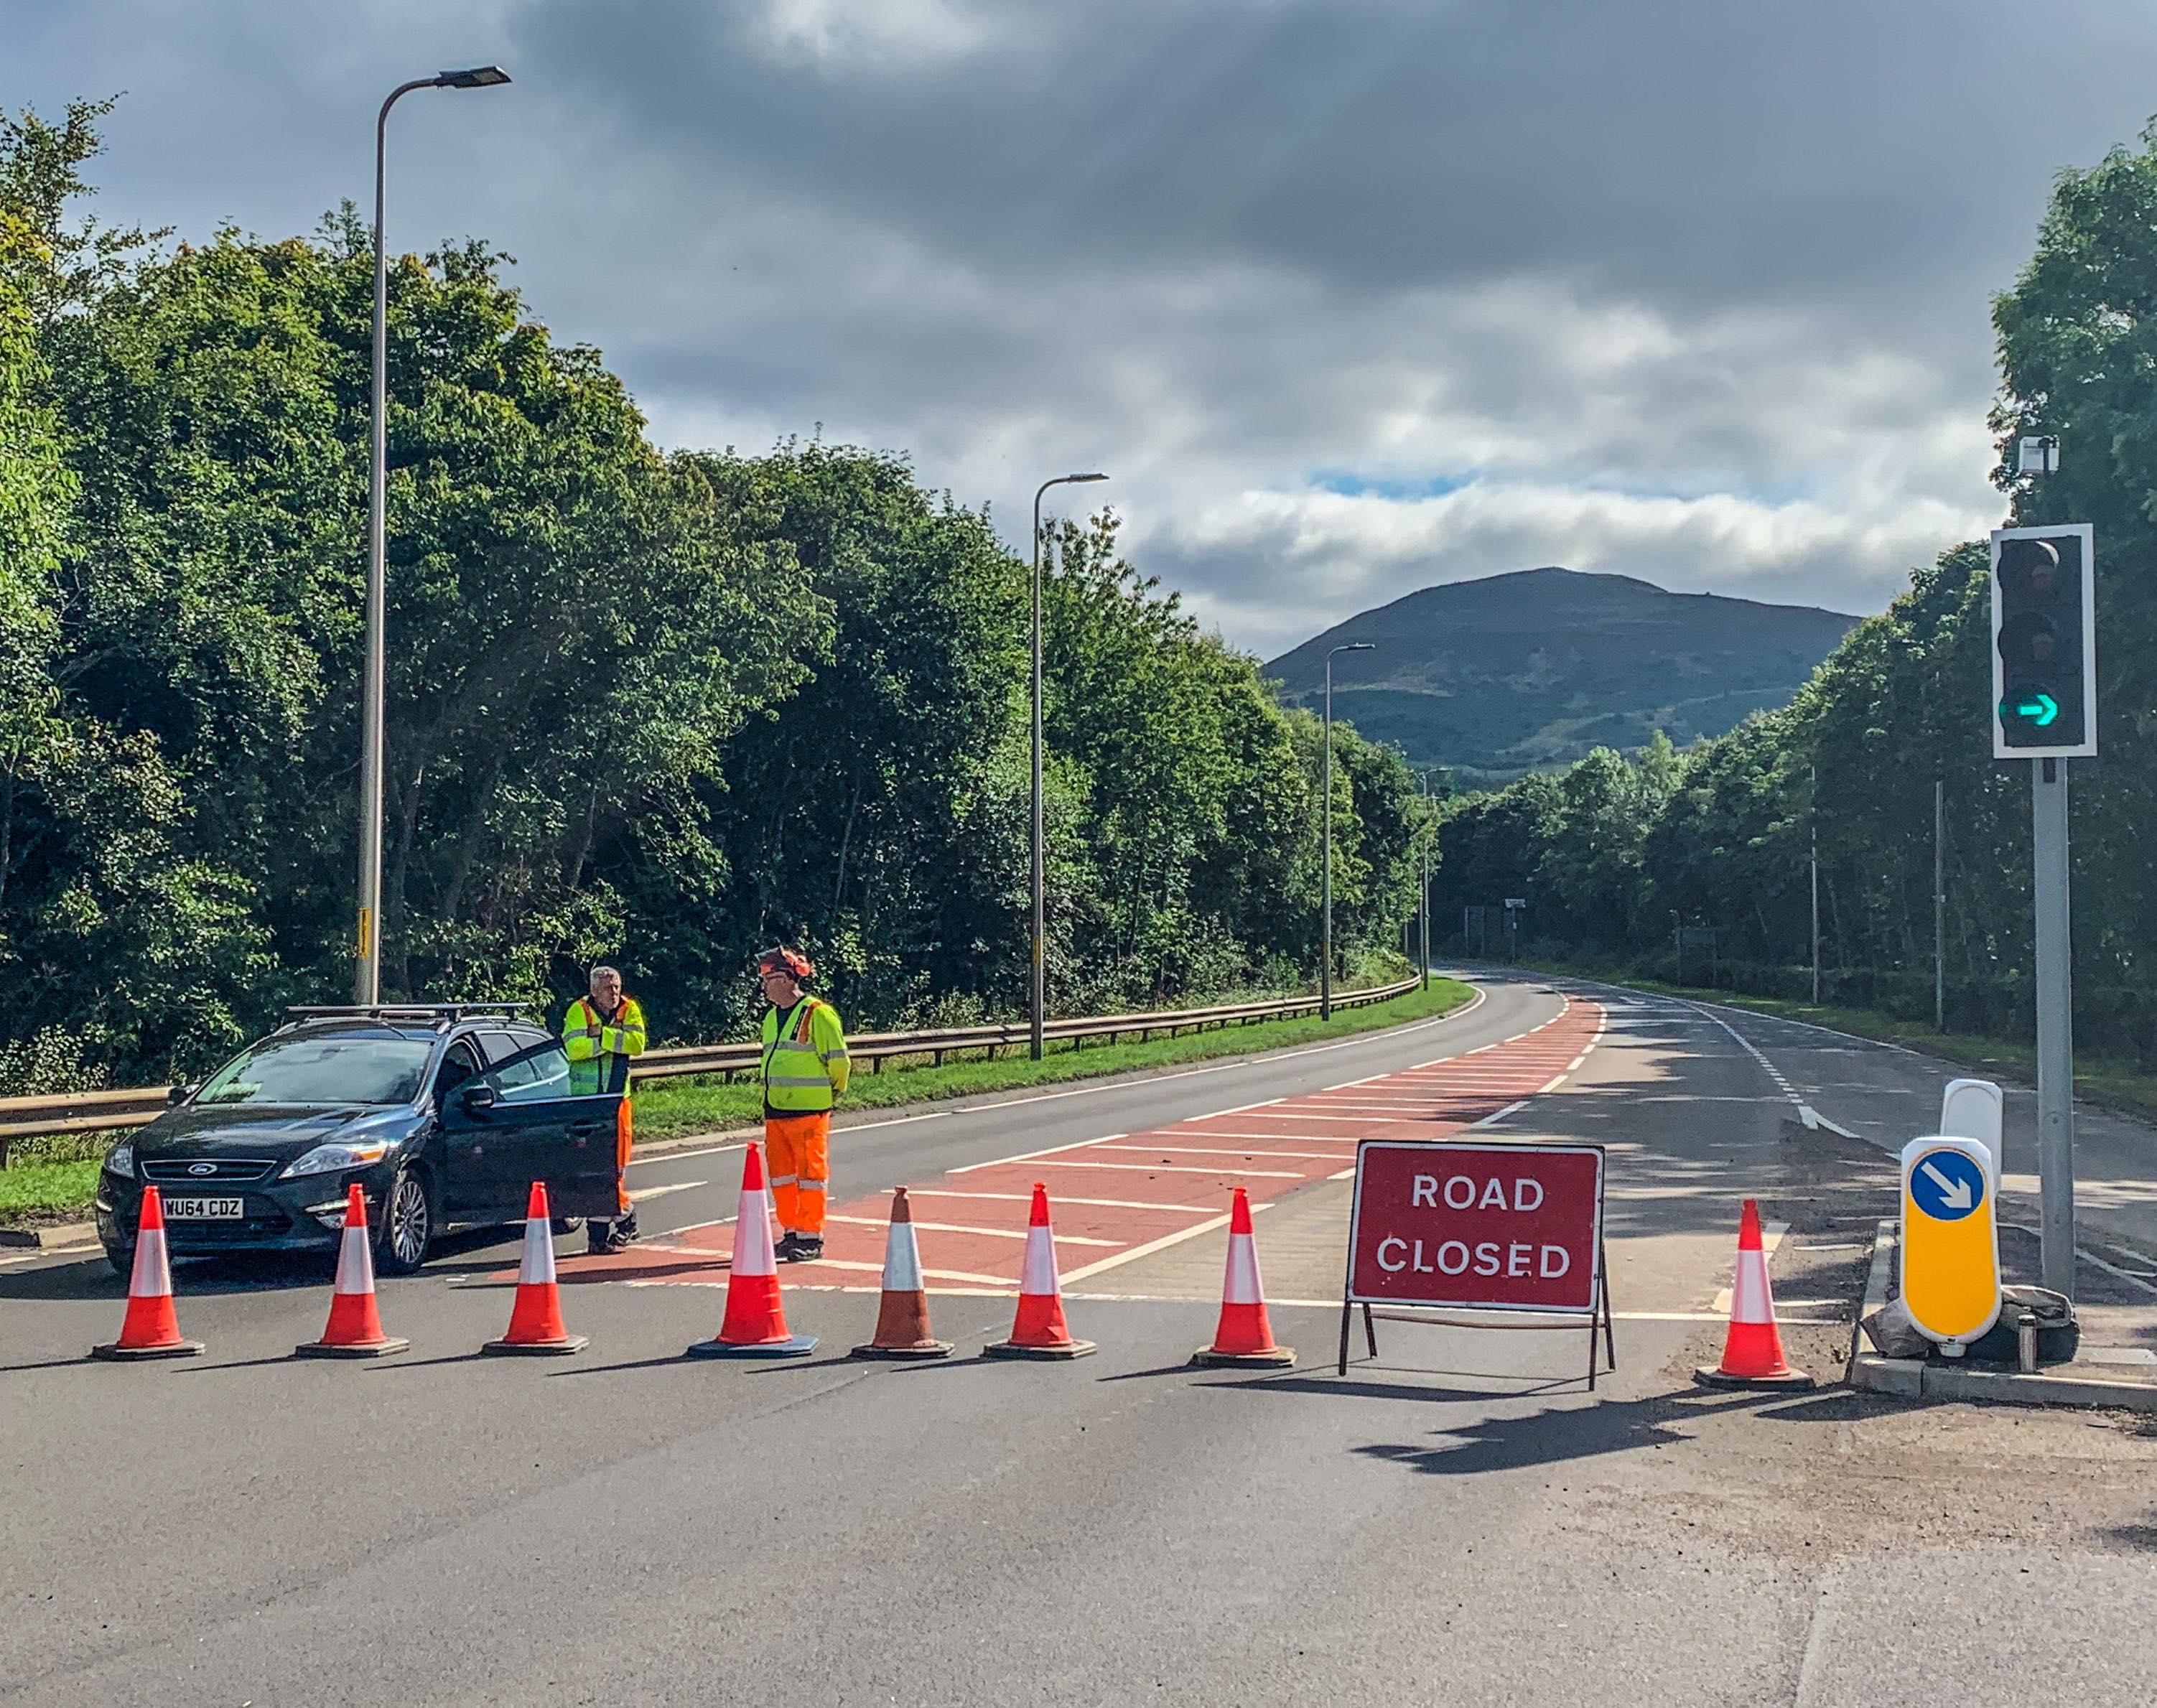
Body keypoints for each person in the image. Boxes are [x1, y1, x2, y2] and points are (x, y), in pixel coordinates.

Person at [756, 946, 849, 1261]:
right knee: (782, 1178)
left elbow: (839, 1063)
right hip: (776, 1111)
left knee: (810, 1176)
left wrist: (831, 1094)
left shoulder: (818, 1013)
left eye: (767, 979)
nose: (764, 986)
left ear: (783, 978)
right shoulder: (771, 1018)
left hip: (809, 1112)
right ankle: (792, 1231)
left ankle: (810, 1237)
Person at [563, 963, 648, 1254]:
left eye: (616, 988)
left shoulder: (630, 1009)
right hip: (585, 1102)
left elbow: (636, 1044)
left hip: (616, 1101)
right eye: (607, 989)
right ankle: (607, 1230)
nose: (613, 994)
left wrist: (600, 1036)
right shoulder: (579, 1011)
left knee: (615, 1168)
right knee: (591, 1168)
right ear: (593, 990)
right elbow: (574, 1049)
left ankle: (618, 1224)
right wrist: (614, 1040)